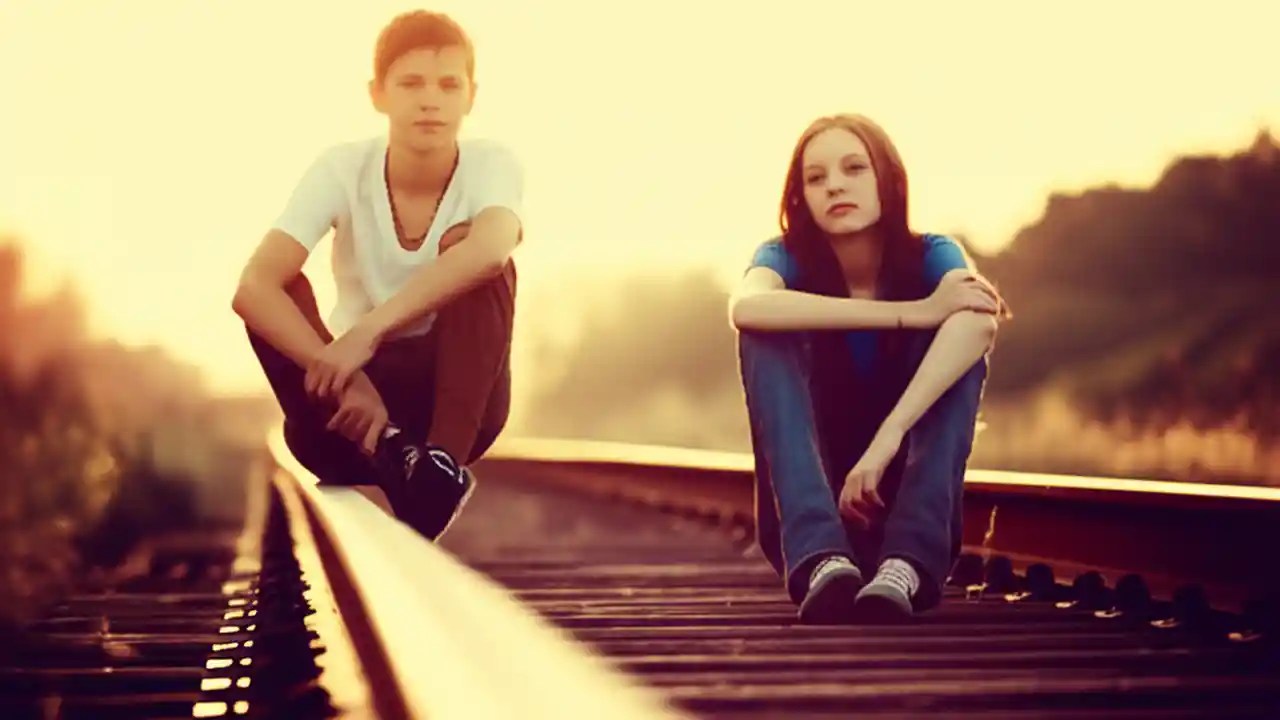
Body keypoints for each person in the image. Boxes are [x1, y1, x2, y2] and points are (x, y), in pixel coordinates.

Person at [232, 10, 523, 542]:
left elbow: (492, 249)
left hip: (454, 412)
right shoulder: (341, 168)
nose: (430, 99)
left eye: (447, 84)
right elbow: (251, 289)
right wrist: (350, 380)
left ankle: (436, 471)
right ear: (378, 94)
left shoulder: (492, 164)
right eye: (411, 82)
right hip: (342, 421)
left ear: (470, 96)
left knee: (481, 257)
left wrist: (367, 333)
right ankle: (393, 453)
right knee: (280, 286)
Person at [728, 113, 1008, 624]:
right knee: (765, 334)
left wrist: (888, 438)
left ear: (888, 178)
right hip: (820, 519)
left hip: (898, 503)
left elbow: (980, 323)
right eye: (816, 177)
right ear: (801, 197)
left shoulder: (931, 254)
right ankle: (823, 560)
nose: (835, 184)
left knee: (959, 334)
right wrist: (913, 313)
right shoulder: (782, 257)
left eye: (854, 167)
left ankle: (904, 564)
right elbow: (745, 309)